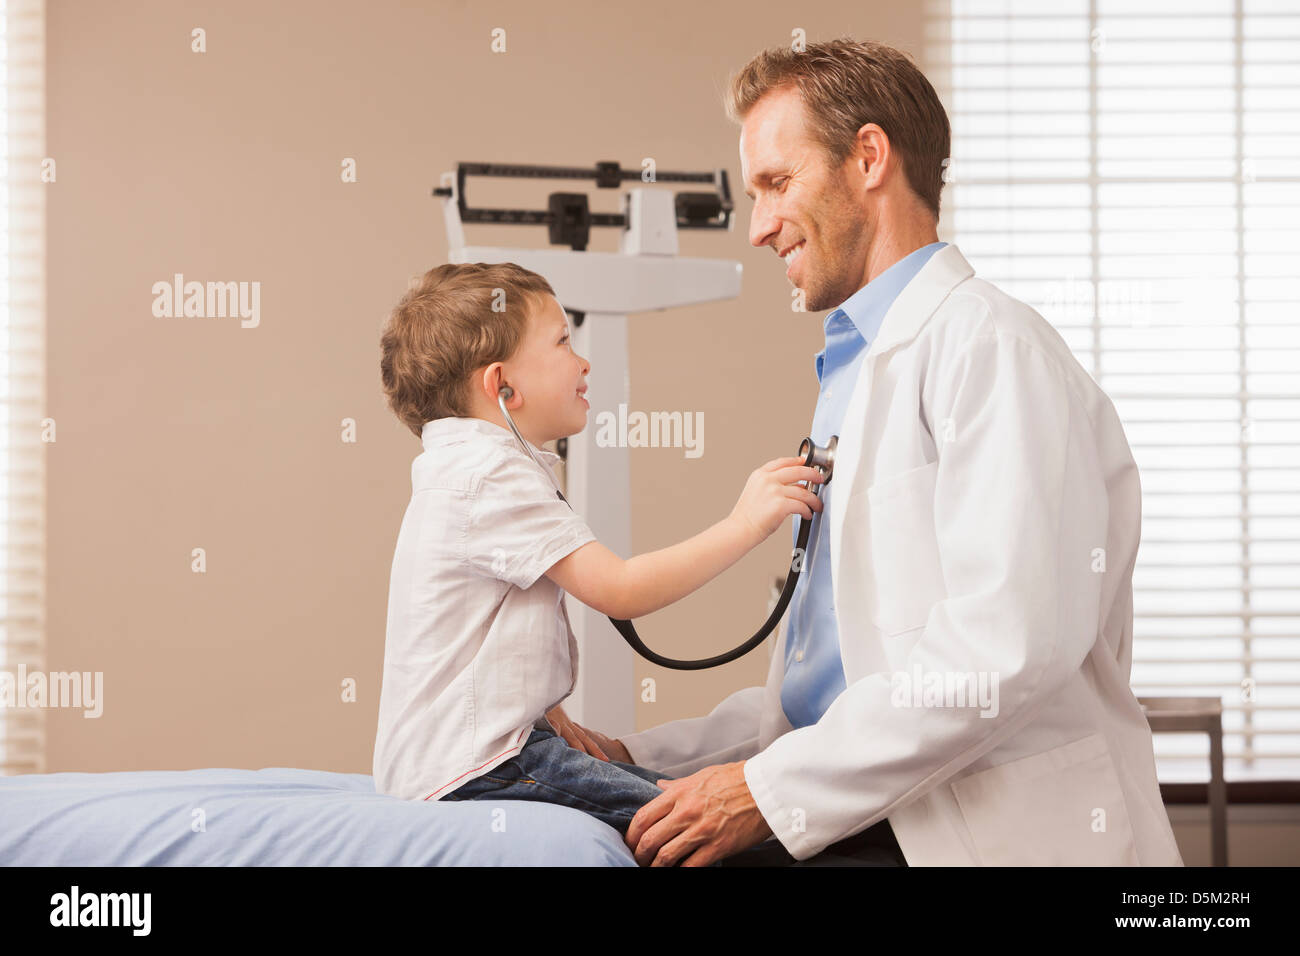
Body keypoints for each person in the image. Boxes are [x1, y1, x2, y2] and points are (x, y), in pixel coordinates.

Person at [555, 37, 1185, 867]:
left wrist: (765, 792)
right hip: (884, 815)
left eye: (777, 183)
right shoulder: (857, 369)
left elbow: (1002, 649)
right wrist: (648, 757)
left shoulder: (989, 348)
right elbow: (832, 693)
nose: (757, 228)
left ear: (869, 158)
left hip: (985, 833)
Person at [370, 261, 825, 839]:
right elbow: (622, 589)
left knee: (679, 798)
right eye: (562, 343)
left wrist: (533, 712)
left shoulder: (462, 468)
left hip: (464, 757)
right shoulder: (489, 473)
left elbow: (473, 639)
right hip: (483, 770)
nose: (583, 362)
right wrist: (746, 522)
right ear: (502, 386)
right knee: (697, 825)